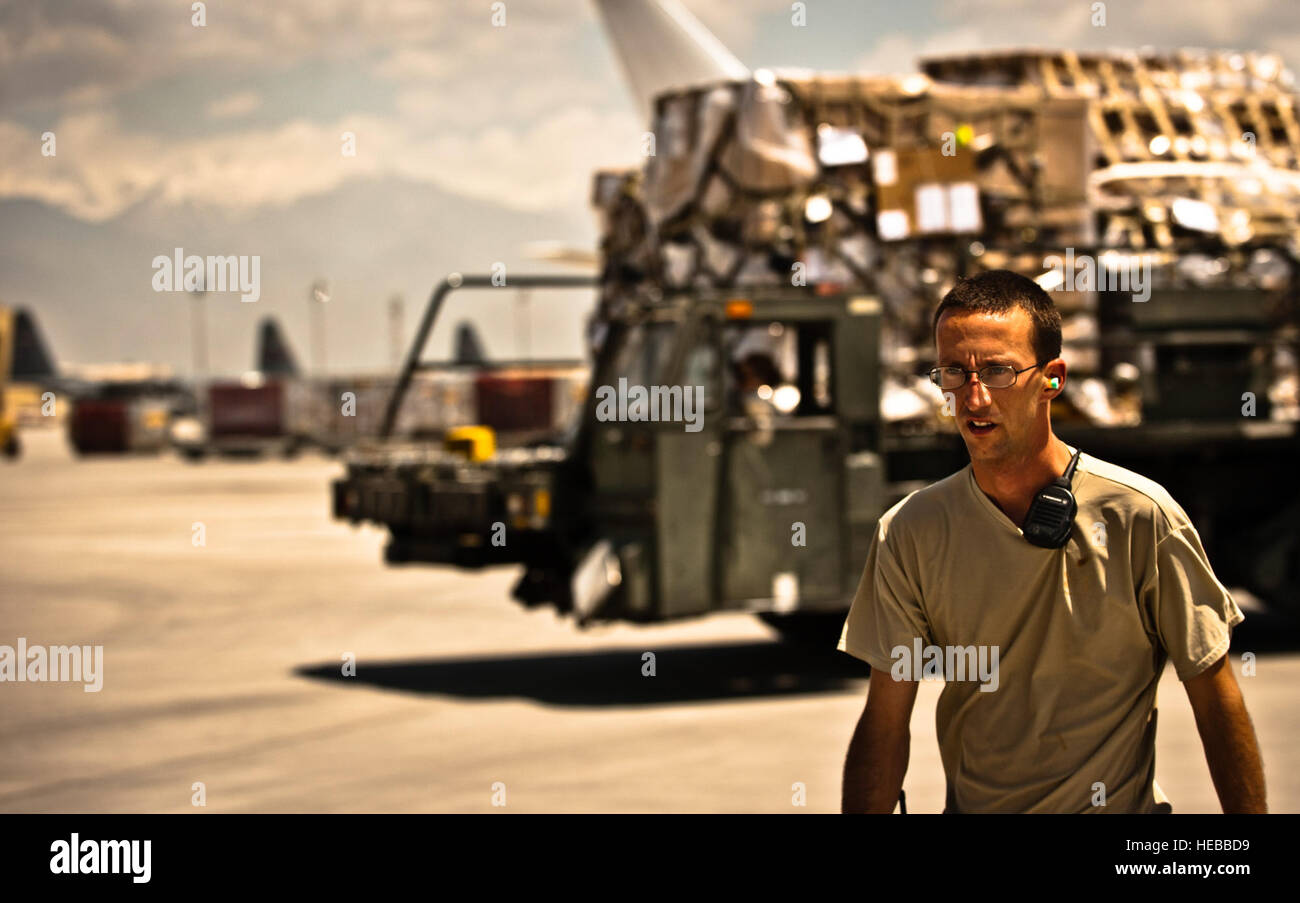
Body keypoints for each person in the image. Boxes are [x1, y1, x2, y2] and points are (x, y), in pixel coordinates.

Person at [838, 270, 1266, 814]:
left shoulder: (1142, 516)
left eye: (997, 371)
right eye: (953, 373)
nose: (972, 397)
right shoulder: (909, 532)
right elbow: (885, 719)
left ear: (1053, 378)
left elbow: (1214, 696)